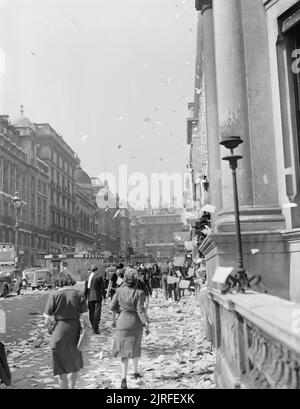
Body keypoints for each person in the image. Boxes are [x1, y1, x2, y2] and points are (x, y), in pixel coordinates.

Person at [43, 273, 89, 389]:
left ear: (59, 282)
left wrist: (49, 329)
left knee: (60, 367)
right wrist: (87, 329)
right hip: (74, 331)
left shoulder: (54, 294)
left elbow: (47, 320)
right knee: (73, 364)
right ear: (71, 281)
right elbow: (85, 318)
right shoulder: (79, 294)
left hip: (59, 331)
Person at [111, 268, 149, 389]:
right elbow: (140, 310)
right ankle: (136, 371)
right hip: (135, 323)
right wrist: (146, 323)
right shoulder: (139, 293)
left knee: (123, 352)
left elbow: (112, 307)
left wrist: (121, 312)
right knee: (135, 346)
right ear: (135, 280)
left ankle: (123, 379)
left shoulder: (118, 291)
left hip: (122, 321)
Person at [84, 265, 106, 334]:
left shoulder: (88, 278)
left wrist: (85, 298)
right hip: (97, 296)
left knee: (91, 313)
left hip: (90, 297)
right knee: (97, 313)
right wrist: (104, 296)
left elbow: (86, 289)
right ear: (96, 270)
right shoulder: (99, 277)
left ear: (91, 270)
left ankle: (93, 326)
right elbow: (102, 288)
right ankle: (96, 329)